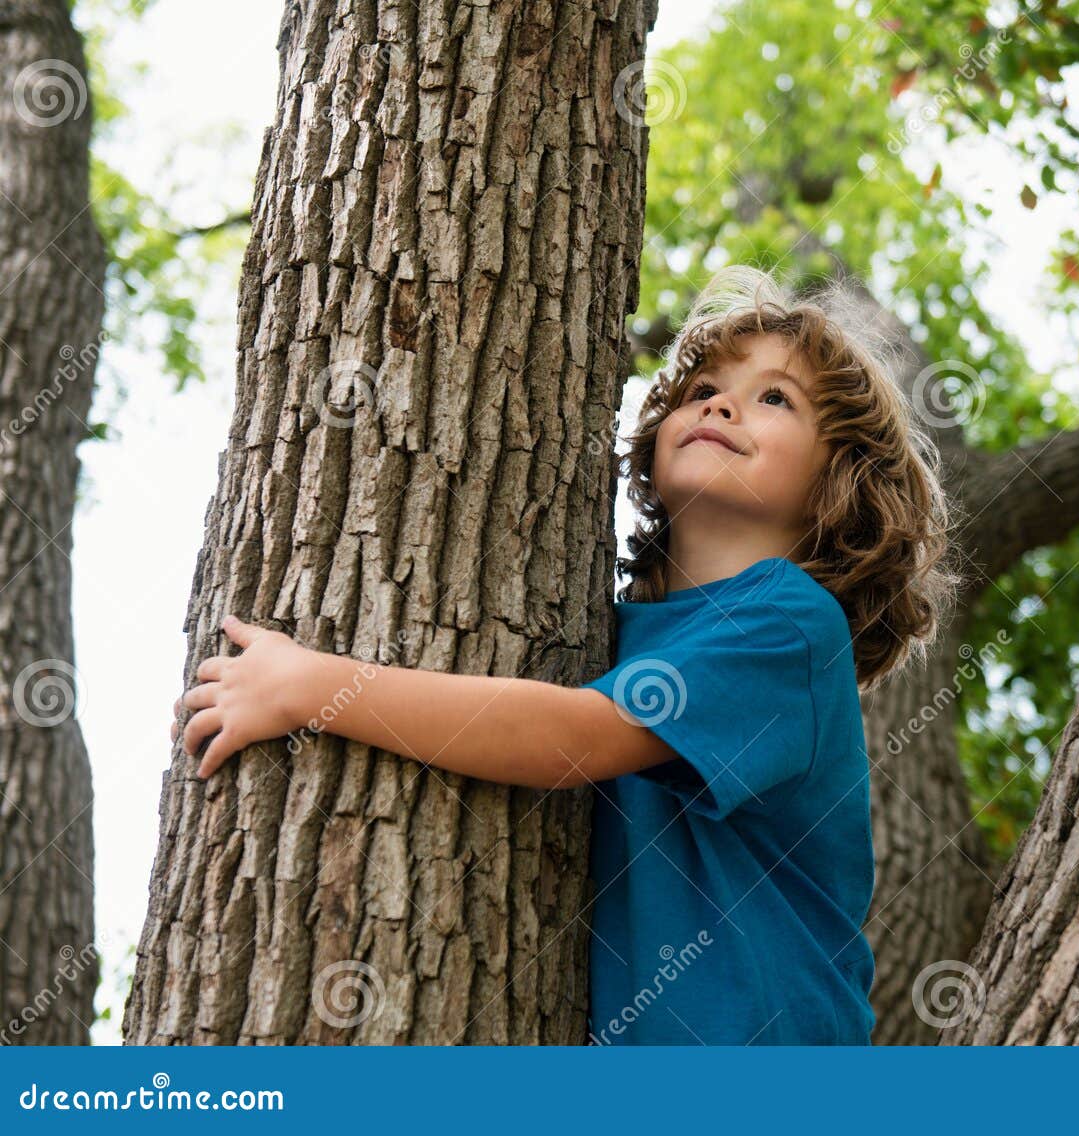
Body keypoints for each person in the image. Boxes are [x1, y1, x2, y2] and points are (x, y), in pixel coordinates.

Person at [169, 263, 961, 1044]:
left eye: (776, 398)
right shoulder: (610, 628)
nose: (720, 402)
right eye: (701, 390)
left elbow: (571, 738)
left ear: (840, 482)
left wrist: (317, 688)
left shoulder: (789, 623)